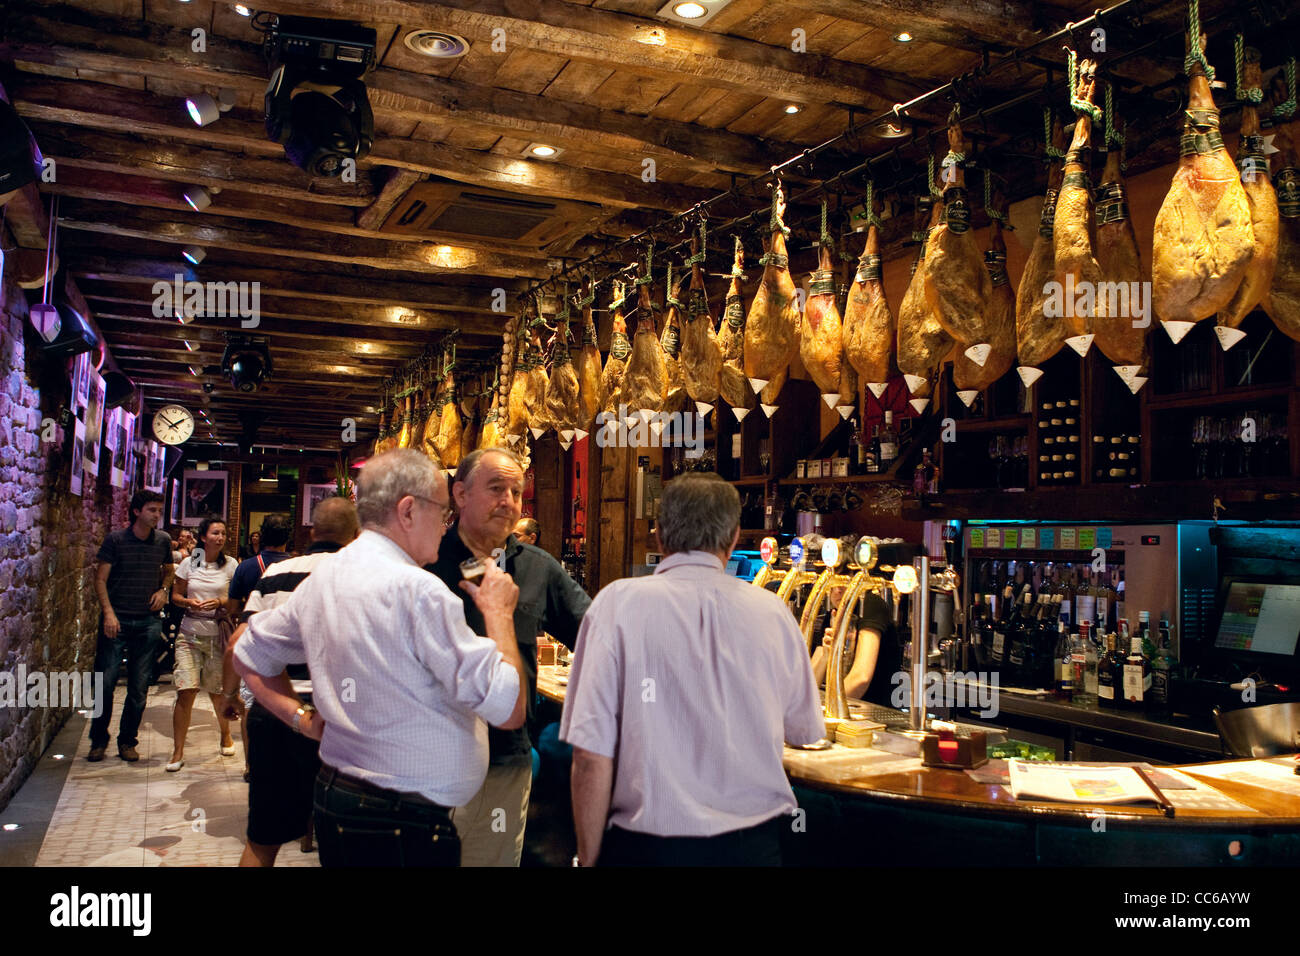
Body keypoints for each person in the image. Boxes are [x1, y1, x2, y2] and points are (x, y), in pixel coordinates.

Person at [233, 448, 527, 868]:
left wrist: (298, 717)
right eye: (442, 513)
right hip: (402, 822)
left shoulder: (327, 577)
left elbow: (247, 653)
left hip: (340, 799)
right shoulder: (418, 591)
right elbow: (508, 709)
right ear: (408, 511)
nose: (445, 527)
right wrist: (499, 615)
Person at [561, 473, 825, 866]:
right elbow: (805, 732)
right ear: (734, 537)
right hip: (752, 849)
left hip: (649, 849)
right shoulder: (773, 612)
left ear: (658, 536)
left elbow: (589, 756)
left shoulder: (617, 604)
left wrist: (587, 857)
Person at [425, 447, 590, 867]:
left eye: (517, 492)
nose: (510, 502)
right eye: (497, 489)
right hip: (426, 758)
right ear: (459, 494)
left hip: (503, 758)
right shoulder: (425, 561)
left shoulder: (537, 567)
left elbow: (596, 634)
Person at [220, 497, 360, 867]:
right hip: (340, 720)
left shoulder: (275, 574)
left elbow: (239, 642)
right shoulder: (362, 571)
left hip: (278, 714)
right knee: (346, 845)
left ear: (312, 531)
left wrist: (231, 694)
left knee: (262, 840)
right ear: (356, 535)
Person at [88, 490, 173, 762]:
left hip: (147, 621)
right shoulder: (116, 540)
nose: (156, 515)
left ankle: (127, 741)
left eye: (159, 510)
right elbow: (100, 579)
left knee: (139, 686)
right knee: (106, 682)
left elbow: (169, 570)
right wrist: (109, 613)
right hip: (118, 618)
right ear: (137, 511)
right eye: (151, 510)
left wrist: (163, 590)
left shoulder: (163, 541)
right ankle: (98, 739)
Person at [167, 516, 238, 771]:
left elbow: (235, 601)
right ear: (204, 537)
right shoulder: (192, 561)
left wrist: (220, 603)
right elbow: (175, 595)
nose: (220, 537)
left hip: (217, 634)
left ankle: (225, 733)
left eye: (223, 533)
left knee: (218, 693)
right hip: (189, 634)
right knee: (186, 690)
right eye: (215, 533)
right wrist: (188, 602)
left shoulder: (230, 565)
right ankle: (177, 751)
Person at [809, 588, 902, 708]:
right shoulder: (832, 614)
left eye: (844, 581)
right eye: (834, 584)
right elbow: (810, 681)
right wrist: (826, 656)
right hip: (848, 711)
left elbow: (861, 678)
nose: (838, 590)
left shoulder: (870, 604)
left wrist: (827, 707)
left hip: (875, 712)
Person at [229, 515, 293, 605]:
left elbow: (232, 606)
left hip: (253, 617)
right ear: (288, 537)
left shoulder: (245, 567)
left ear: (262, 536)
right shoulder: (300, 567)